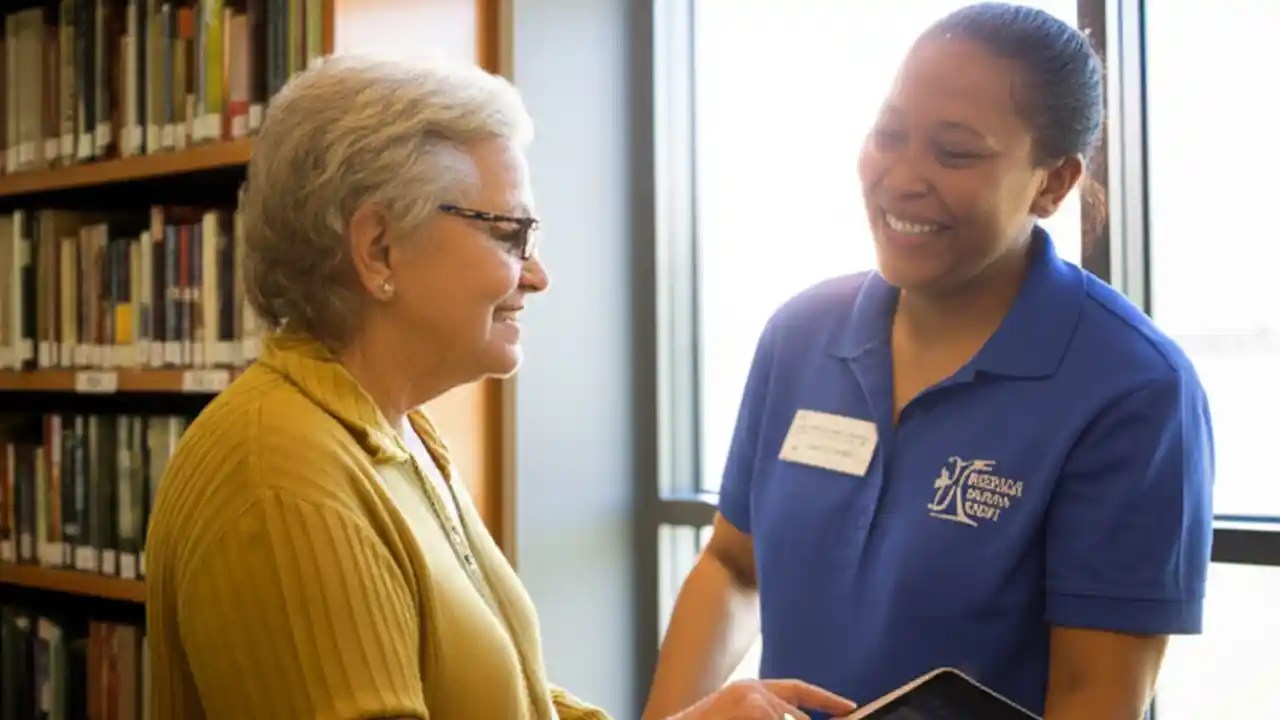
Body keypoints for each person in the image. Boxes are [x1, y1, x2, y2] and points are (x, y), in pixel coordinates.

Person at [143, 55, 857, 720]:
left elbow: (499, 695)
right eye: (511, 235)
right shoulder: (280, 480)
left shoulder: (393, 434)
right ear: (378, 249)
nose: (537, 275)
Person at [643, 3, 1213, 720]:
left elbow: (1092, 696)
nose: (902, 177)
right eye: (888, 134)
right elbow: (733, 567)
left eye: (955, 153)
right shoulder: (801, 335)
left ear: (1053, 182)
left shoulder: (1131, 389)